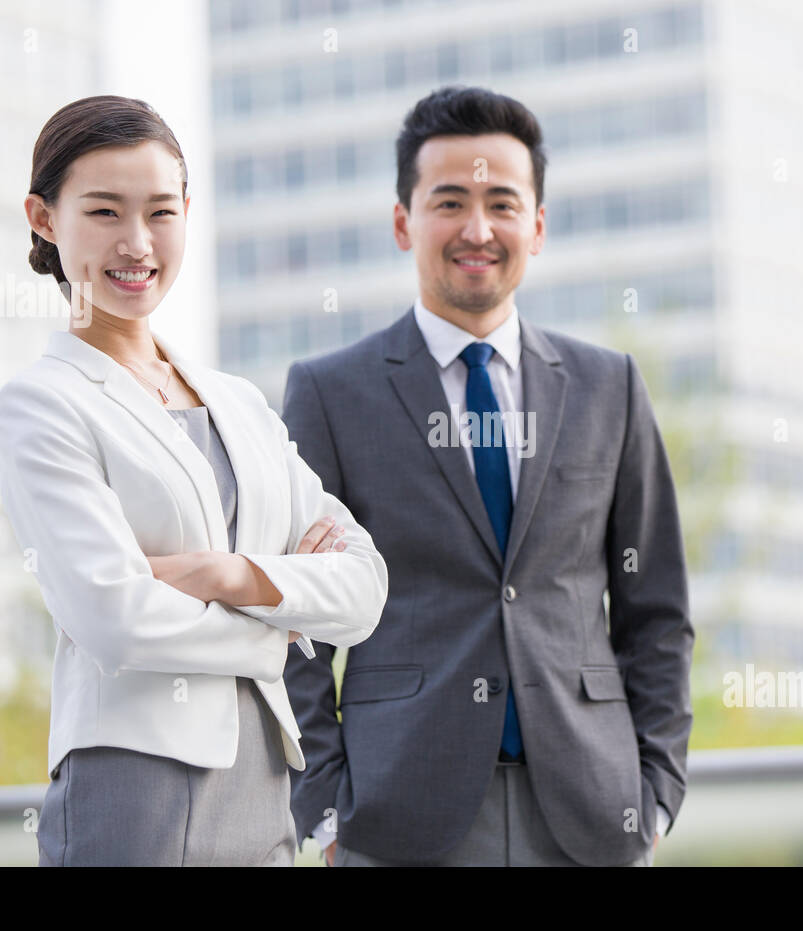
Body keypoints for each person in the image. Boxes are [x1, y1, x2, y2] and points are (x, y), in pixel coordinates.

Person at [281, 86, 694, 866]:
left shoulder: (611, 386)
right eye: (449, 202)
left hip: (592, 813)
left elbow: (658, 613)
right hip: (398, 816)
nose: (478, 229)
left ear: (537, 226)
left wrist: (656, 793)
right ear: (403, 221)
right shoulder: (330, 393)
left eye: (503, 203)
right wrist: (329, 812)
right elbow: (298, 625)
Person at [0, 95, 388, 866]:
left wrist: (229, 573)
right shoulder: (44, 403)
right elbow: (115, 619)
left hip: (266, 786)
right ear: (44, 219)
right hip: (135, 791)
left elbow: (365, 587)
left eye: (160, 212)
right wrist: (280, 618)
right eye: (104, 212)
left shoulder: (235, 401)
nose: (137, 243)